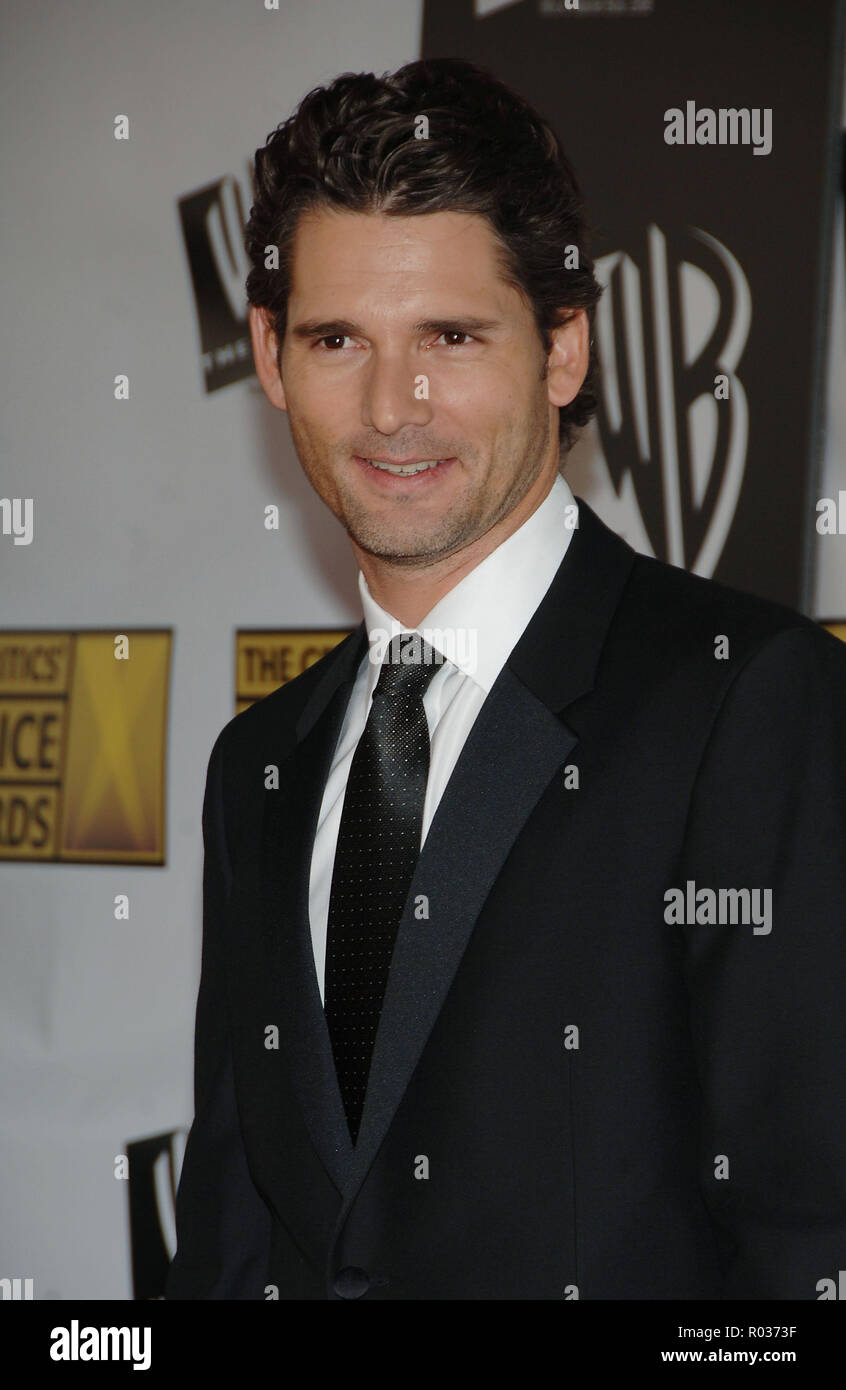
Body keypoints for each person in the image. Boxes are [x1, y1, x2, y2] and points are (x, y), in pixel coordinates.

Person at [165, 57, 846, 1300]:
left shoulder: (742, 702)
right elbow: (235, 1236)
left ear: (565, 348)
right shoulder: (257, 766)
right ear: (268, 357)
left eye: (451, 336)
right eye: (335, 340)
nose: (392, 405)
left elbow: (812, 1239)